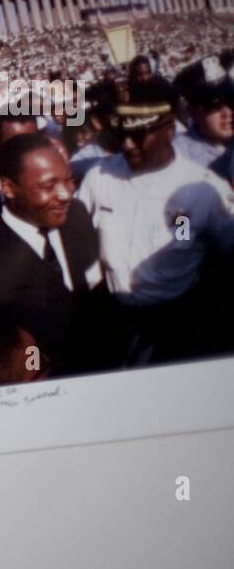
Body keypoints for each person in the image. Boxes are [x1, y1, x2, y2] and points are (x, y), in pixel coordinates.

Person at [77, 77, 234, 363]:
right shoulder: (100, 177)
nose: (126, 145)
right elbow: (72, 234)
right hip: (117, 320)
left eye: (138, 136)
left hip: (179, 323)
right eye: (121, 135)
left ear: (169, 129)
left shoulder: (202, 189)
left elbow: (224, 254)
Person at [0, 135, 102, 386]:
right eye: (48, 185)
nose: (65, 194)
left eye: (68, 180)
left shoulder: (76, 216)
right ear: (8, 187)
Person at [173, 82, 232, 174]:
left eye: (232, 103)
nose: (228, 113)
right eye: (214, 106)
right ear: (192, 112)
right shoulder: (179, 155)